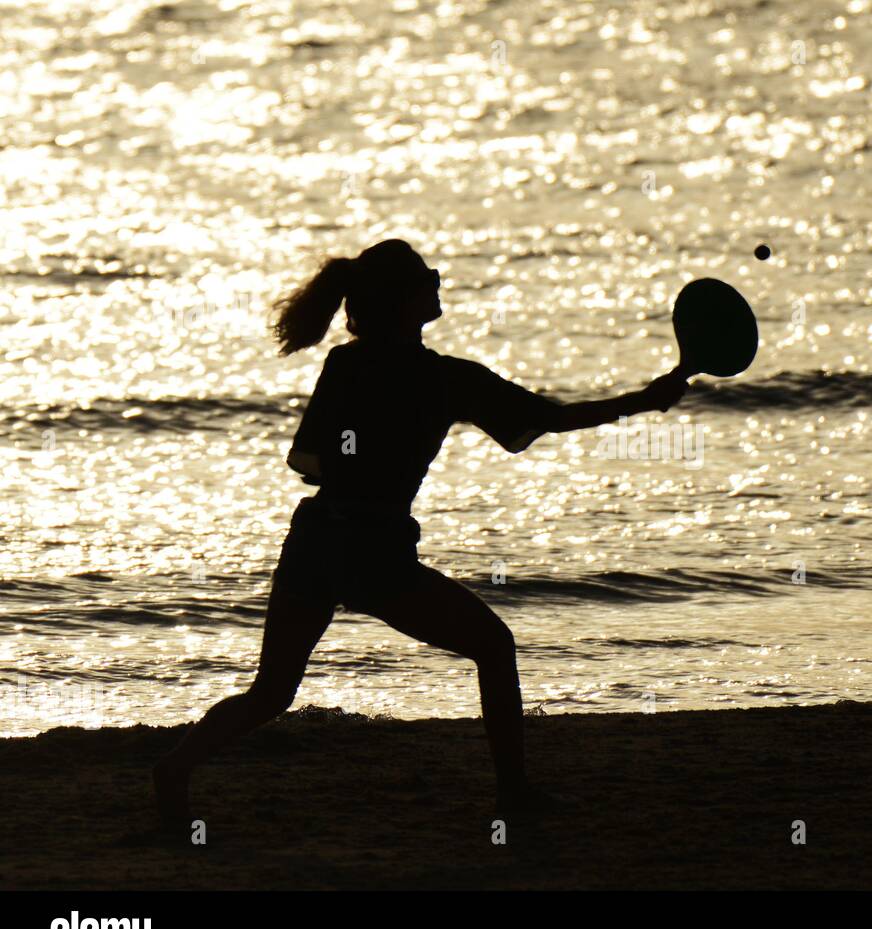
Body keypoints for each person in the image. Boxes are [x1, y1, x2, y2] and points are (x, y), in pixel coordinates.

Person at [153, 238, 688, 829]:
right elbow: (550, 417)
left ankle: (177, 767)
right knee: (494, 647)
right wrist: (641, 402)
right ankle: (513, 795)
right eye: (428, 278)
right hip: (376, 552)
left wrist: (357, 459)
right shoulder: (448, 380)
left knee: (273, 692)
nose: (438, 284)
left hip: (315, 541)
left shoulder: (346, 364)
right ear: (406, 301)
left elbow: (304, 460)